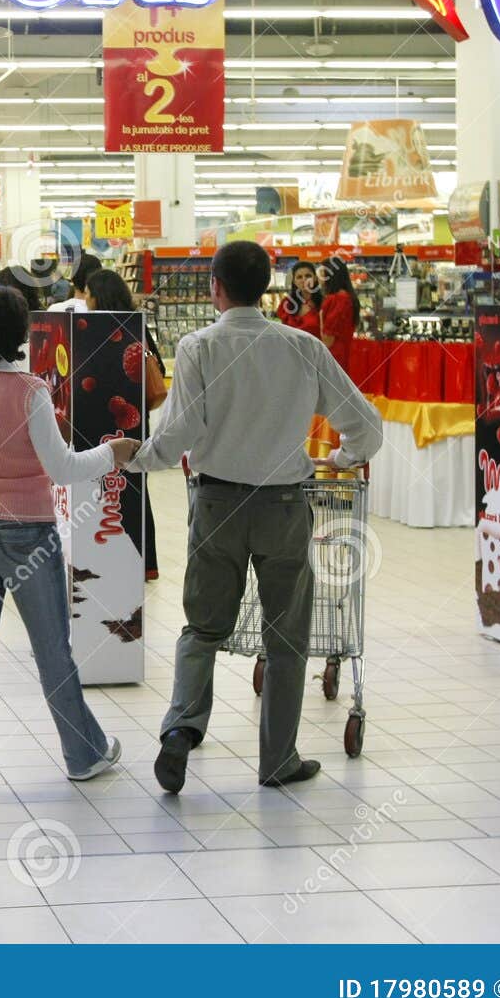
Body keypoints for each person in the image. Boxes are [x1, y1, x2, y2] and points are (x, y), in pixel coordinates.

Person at [127, 242, 382, 793]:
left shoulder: (198, 347)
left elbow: (177, 438)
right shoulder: (303, 347)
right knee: (286, 639)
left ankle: (181, 731)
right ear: (268, 287)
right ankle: (278, 760)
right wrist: (339, 458)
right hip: (285, 507)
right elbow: (368, 428)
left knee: (202, 628)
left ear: (215, 287)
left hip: (217, 504)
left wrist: (138, 458)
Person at [0, 286, 138, 795]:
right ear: (21, 334)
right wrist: (115, 452)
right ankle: (84, 754)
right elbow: (63, 469)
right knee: (51, 651)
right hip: (26, 534)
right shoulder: (29, 391)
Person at [84, 268, 164, 581]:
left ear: (97, 296)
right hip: (133, 424)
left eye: (88, 294)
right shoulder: (137, 326)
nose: (85, 300)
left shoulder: (90, 332)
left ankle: (110, 557)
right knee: (134, 490)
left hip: (100, 424)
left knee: (105, 491)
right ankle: (145, 562)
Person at [319, 257, 358, 372]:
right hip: (342, 355)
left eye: (322, 272)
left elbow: (328, 339)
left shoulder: (337, 299)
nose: (319, 276)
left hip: (333, 358)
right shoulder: (346, 297)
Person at [277, 260, 323, 336]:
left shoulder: (324, 302)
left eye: (308, 276)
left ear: (315, 278)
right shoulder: (287, 303)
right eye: (299, 277)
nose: (304, 280)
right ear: (294, 281)